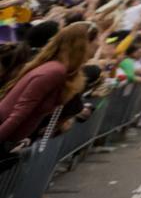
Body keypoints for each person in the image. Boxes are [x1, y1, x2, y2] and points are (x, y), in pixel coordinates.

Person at [0, 22, 96, 154]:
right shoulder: (55, 71)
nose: (99, 44)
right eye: (96, 40)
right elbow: (20, 111)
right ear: (84, 44)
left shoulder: (58, 70)